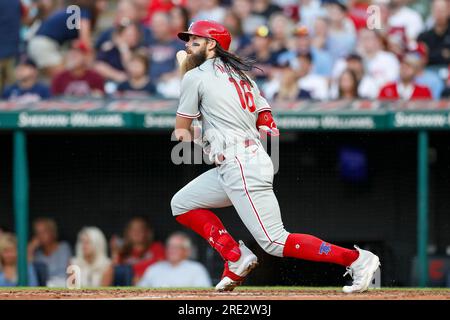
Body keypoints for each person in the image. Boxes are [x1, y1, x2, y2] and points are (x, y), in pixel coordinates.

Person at [172, 20, 380, 293]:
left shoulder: (194, 76)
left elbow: (181, 131)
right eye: (188, 41)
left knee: (275, 242)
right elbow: (263, 111)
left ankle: (357, 260)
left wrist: (204, 140)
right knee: (182, 204)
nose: (188, 45)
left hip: (240, 163)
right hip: (242, 160)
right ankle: (235, 257)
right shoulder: (241, 75)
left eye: (194, 40)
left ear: (212, 44)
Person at [27, 0, 108, 77]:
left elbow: (77, 43)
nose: (105, 5)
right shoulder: (84, 12)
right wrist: (94, 60)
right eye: (102, 1)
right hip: (44, 43)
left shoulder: (78, 11)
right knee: (62, 77)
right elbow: (85, 40)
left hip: (42, 43)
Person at [138, 232, 212, 287]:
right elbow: (139, 292)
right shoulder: (154, 268)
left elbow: (204, 295)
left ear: (186, 251)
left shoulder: (196, 269)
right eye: (170, 246)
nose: (171, 250)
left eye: (176, 247)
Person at [110, 217, 165, 284]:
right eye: (133, 229)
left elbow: (163, 268)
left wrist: (142, 277)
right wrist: (114, 252)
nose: (136, 232)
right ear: (127, 232)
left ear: (147, 232)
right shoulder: (122, 252)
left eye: (140, 229)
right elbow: (115, 273)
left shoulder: (157, 247)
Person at [28, 217, 72, 287]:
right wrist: (31, 248)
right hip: (45, 289)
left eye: (44, 232)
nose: (41, 236)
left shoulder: (64, 247)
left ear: (53, 232)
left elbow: (71, 271)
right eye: (38, 233)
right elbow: (28, 271)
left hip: (64, 287)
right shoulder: (37, 253)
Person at [417, 0, 450, 67]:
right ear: (432, 10)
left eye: (442, 10)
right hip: (427, 71)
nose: (439, 13)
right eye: (437, 9)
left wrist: (429, 55)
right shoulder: (424, 36)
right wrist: (442, 54)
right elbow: (419, 59)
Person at [0, 0, 22, 94]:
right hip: (12, 47)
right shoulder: (16, 2)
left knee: (13, 86)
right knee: (13, 86)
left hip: (10, 47)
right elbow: (26, 19)